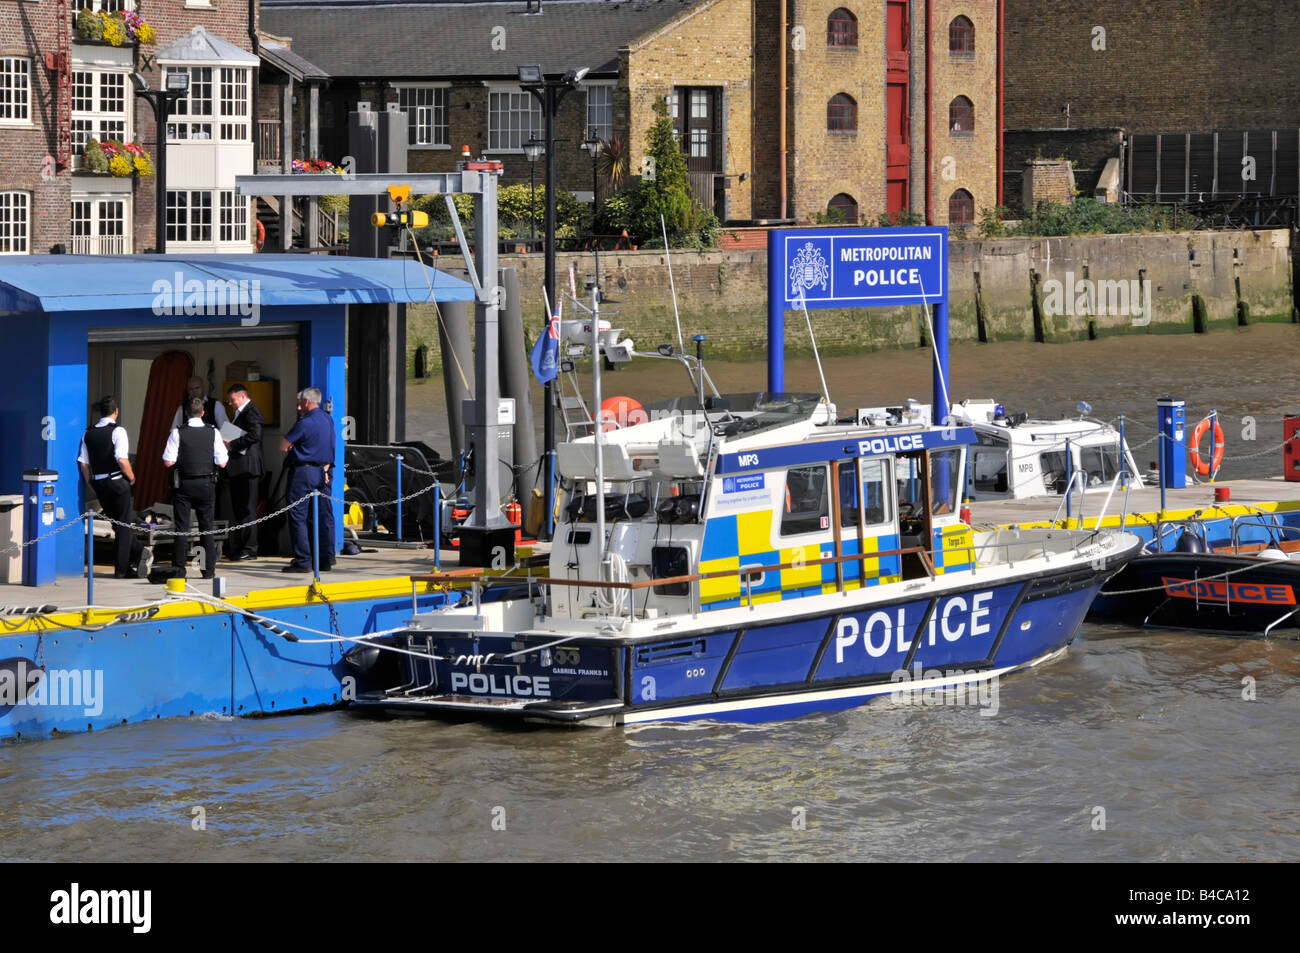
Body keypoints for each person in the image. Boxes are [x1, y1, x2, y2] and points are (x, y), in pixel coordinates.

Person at [77, 396, 148, 578]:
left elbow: (83, 463)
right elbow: (121, 459)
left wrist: (90, 483)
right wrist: (132, 478)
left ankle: (139, 552)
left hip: (99, 483)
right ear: (116, 411)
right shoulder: (118, 431)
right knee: (123, 525)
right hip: (117, 481)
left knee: (116, 524)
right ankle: (122, 569)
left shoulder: (88, 433)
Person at [163, 396, 228, 579]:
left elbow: (168, 461)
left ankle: (179, 570)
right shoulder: (213, 432)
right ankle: (208, 571)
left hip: (184, 484)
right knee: (206, 527)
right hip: (207, 484)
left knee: (181, 528)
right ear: (203, 413)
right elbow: (222, 462)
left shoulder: (178, 432)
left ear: (185, 413)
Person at [279, 386, 335, 573]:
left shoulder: (304, 423)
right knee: (321, 516)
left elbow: (283, 445)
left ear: (307, 402)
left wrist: (295, 446)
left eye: (300, 402)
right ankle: (325, 559)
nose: (298, 406)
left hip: (303, 473)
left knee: (298, 516)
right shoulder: (328, 419)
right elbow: (331, 445)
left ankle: (303, 561)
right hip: (322, 472)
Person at [223, 384, 264, 561]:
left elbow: (255, 435)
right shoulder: (240, 413)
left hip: (248, 468)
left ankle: (250, 547)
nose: (230, 403)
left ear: (242, 397)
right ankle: (241, 546)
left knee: (247, 508)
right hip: (239, 468)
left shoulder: (252, 411)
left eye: (232, 400)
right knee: (239, 508)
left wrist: (232, 444)